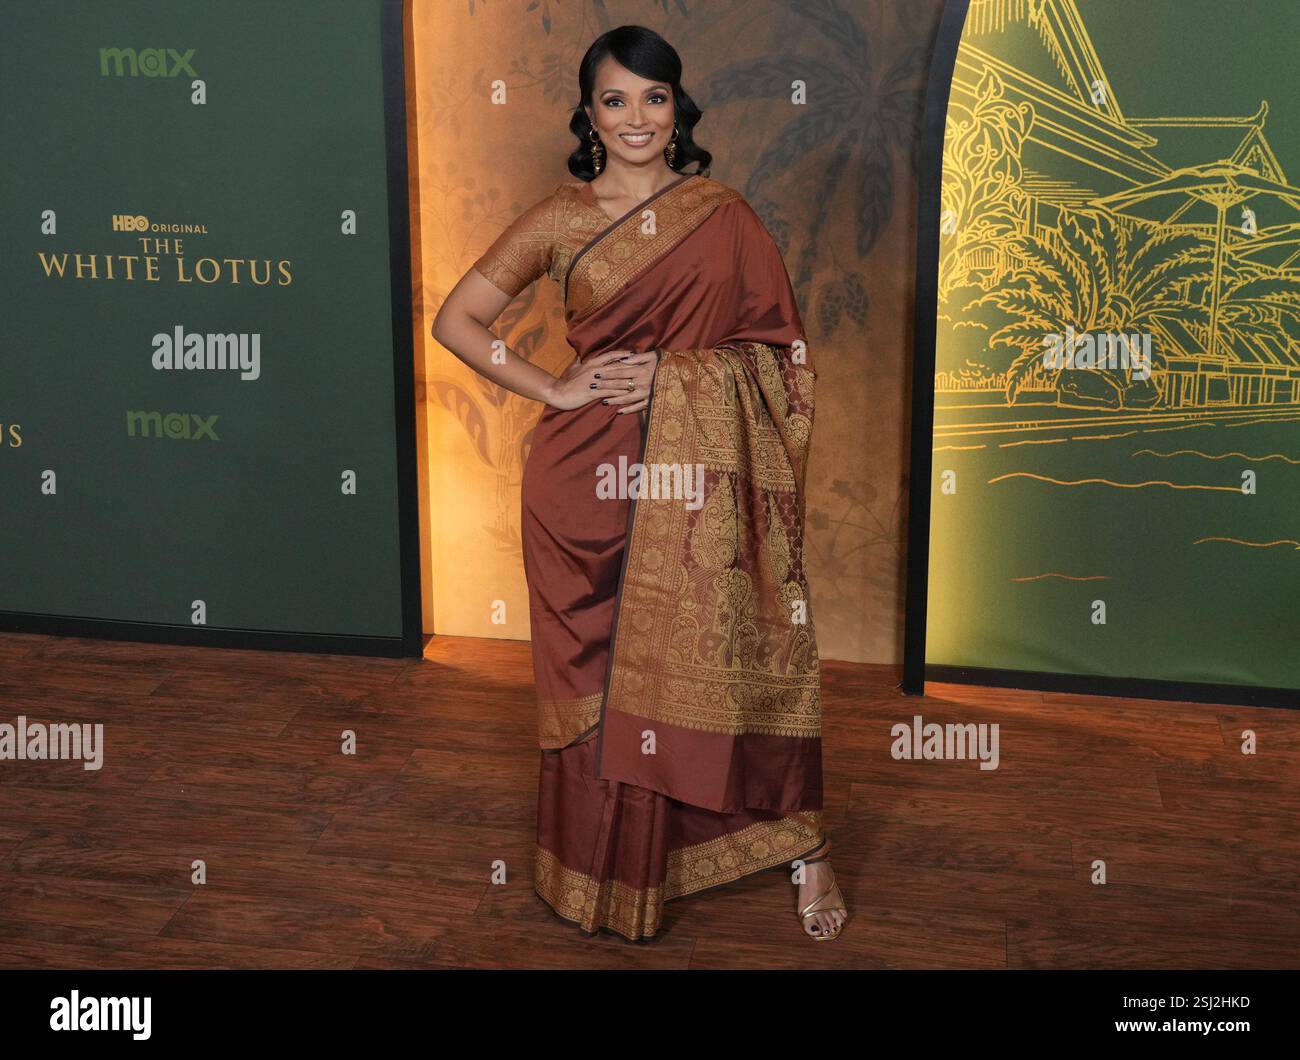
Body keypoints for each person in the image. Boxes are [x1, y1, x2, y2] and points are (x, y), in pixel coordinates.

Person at [432, 24, 847, 942]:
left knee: (725, 655)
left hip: (695, 482)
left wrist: (673, 374)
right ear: (588, 113)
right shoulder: (559, 219)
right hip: (581, 485)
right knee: (595, 686)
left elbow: (783, 360)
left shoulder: (724, 215)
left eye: (652, 98)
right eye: (613, 100)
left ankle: (802, 847)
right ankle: (608, 871)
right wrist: (551, 387)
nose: (634, 118)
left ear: (676, 108)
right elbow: (456, 319)